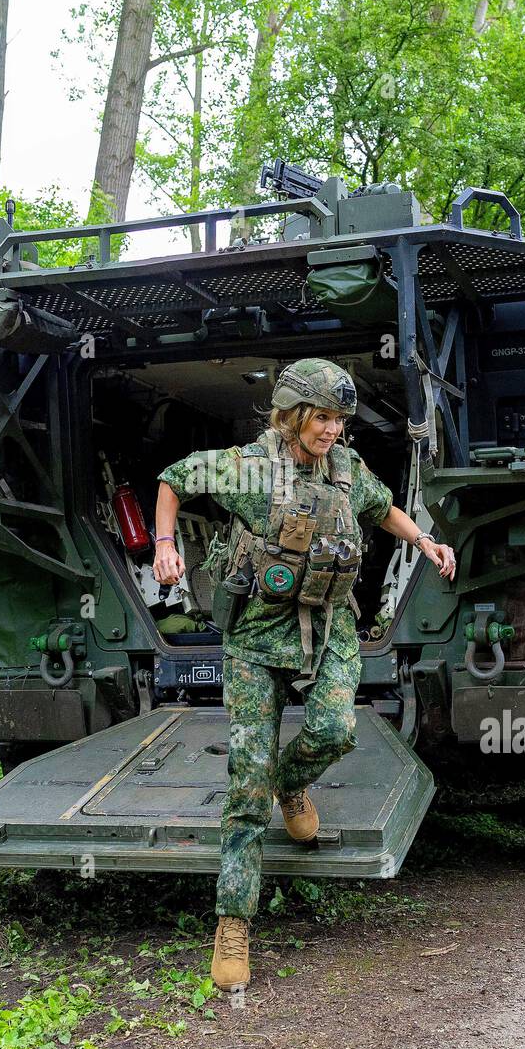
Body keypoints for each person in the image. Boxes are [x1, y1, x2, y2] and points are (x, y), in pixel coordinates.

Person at [153, 359, 456, 990]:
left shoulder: (347, 469)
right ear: (292, 415)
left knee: (334, 731)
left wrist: (424, 541)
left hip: (331, 629)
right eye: (322, 417)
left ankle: (289, 785)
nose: (332, 429)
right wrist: (163, 544)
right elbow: (173, 479)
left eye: (340, 419)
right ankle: (233, 921)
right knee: (244, 783)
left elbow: (383, 510)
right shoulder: (247, 468)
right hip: (257, 640)